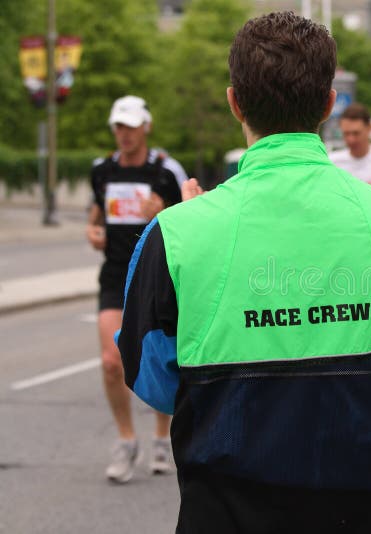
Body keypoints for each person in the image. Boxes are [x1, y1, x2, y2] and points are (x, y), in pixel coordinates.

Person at [117, 12, 371, 533]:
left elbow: (152, 378)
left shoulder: (175, 234)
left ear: (235, 103)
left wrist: (194, 221)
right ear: (328, 104)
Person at [86, 95, 190, 483]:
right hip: (115, 275)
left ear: (145, 126)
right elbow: (96, 211)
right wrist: (92, 230)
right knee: (112, 360)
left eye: (130, 126)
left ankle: (163, 438)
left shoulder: (166, 170)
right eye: (118, 127)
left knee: (160, 355)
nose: (123, 134)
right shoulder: (102, 170)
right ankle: (126, 441)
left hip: (156, 274)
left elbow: (193, 217)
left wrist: (163, 214)